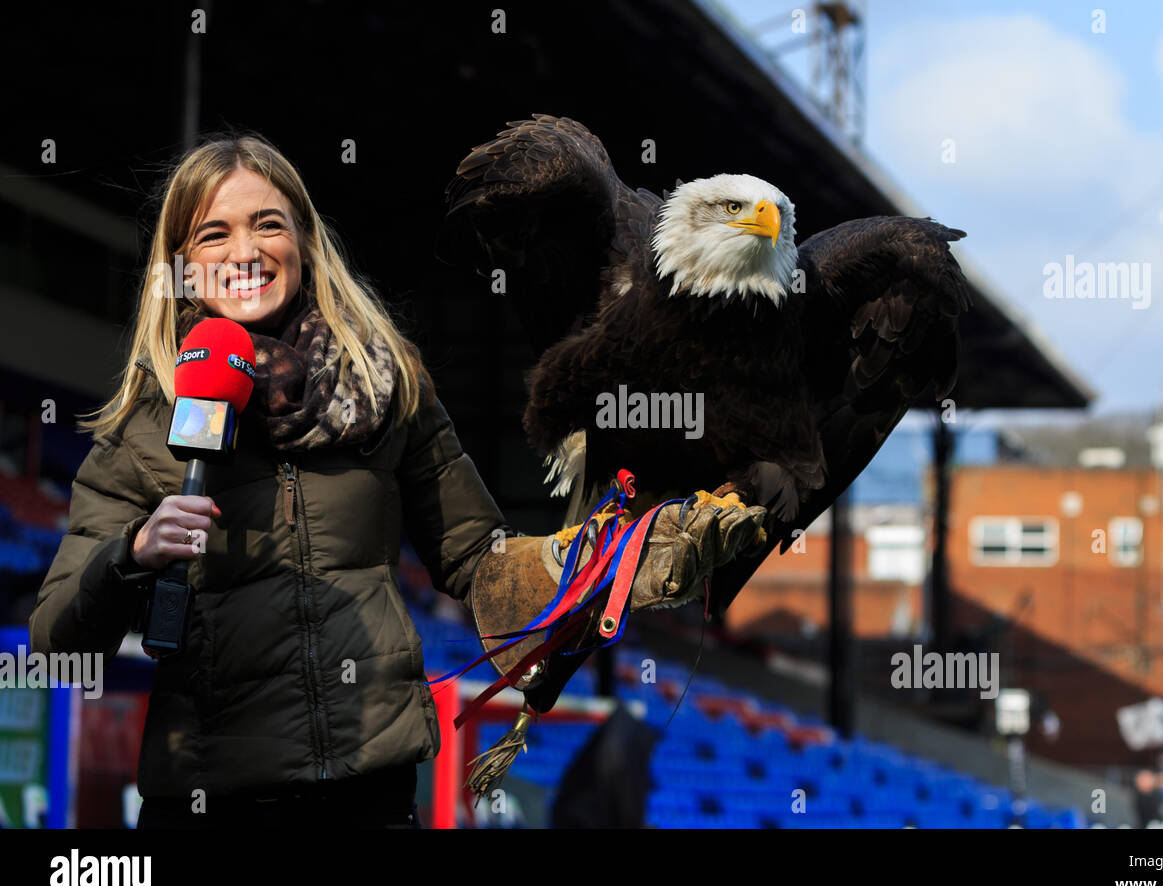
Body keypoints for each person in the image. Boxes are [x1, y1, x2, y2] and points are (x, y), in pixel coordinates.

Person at [29, 134, 764, 829]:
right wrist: (130, 552)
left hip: (371, 793)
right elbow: (57, 644)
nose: (246, 251)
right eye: (214, 234)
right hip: (211, 799)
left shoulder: (390, 385)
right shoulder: (145, 423)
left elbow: (482, 561)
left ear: (306, 244)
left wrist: (612, 558)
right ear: (182, 260)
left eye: (268, 225)